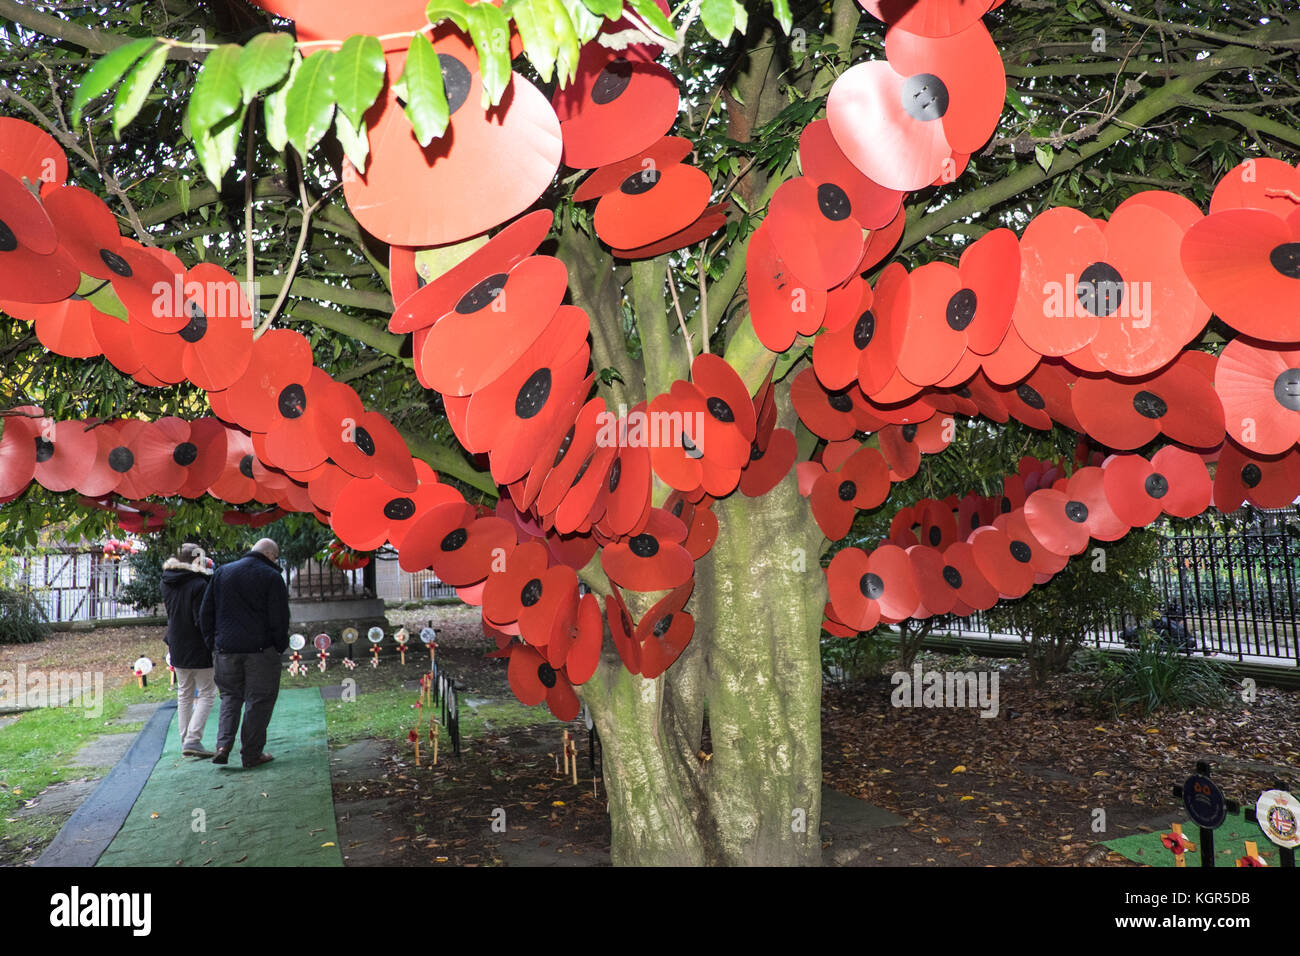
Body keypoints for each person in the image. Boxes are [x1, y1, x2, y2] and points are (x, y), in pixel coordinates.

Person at [199, 538, 291, 768]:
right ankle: (251, 754)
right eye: (276, 557)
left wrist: (213, 642)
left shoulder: (222, 573)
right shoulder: (271, 577)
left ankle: (223, 746)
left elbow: (205, 612)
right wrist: (279, 645)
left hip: (226, 650)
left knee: (230, 697)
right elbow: (279, 617)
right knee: (258, 701)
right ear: (270, 554)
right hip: (261, 651)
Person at [160, 543, 216, 758]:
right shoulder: (199, 585)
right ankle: (193, 739)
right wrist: (212, 642)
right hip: (197, 644)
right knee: (207, 693)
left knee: (184, 692)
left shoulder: (166, 582)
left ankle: (185, 739)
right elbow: (201, 619)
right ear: (197, 560)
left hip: (176, 643)